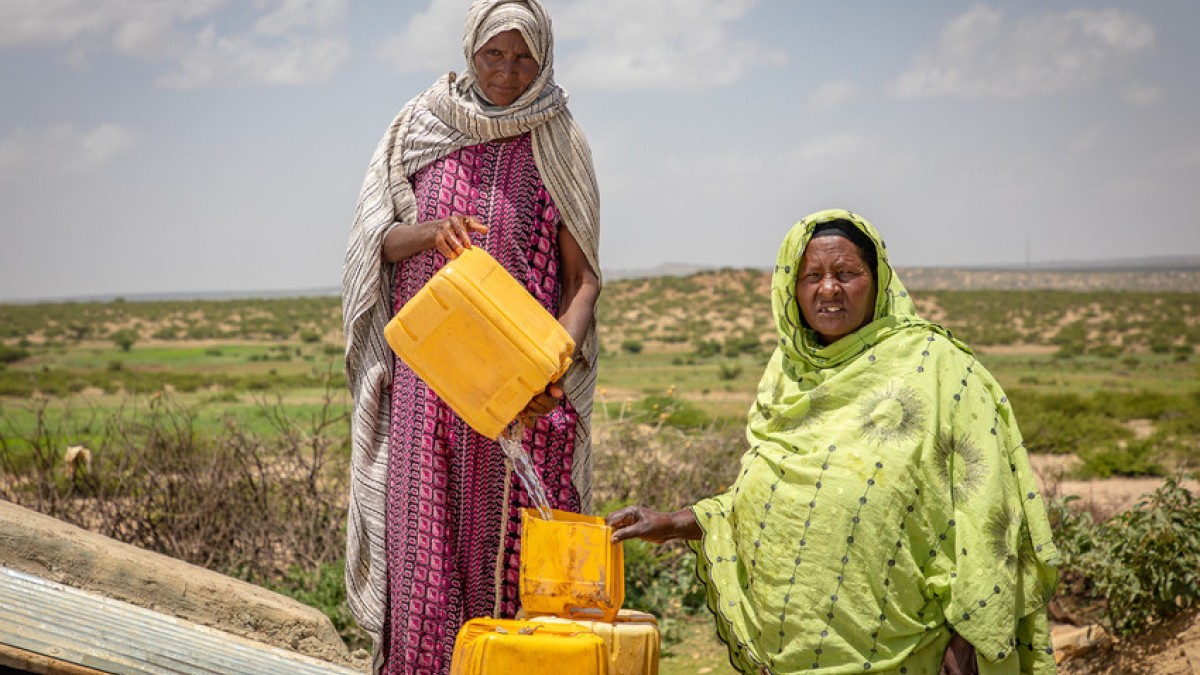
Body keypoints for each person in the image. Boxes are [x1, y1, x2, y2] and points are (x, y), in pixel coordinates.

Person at [607, 209, 1059, 675]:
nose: (828, 289)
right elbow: (760, 502)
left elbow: (990, 510)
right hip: (788, 653)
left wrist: (968, 639)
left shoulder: (939, 368)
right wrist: (671, 523)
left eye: (846, 274)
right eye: (812, 277)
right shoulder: (786, 375)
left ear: (878, 280)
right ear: (790, 288)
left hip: (912, 651)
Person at [340, 1, 601, 672]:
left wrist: (549, 371)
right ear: (469, 51)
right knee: (424, 563)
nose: (507, 71)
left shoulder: (559, 140)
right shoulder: (417, 127)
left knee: (518, 574)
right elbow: (376, 242)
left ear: (544, 60)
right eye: (494, 54)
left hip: (522, 394)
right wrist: (432, 231)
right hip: (427, 390)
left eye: (523, 57)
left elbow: (583, 281)